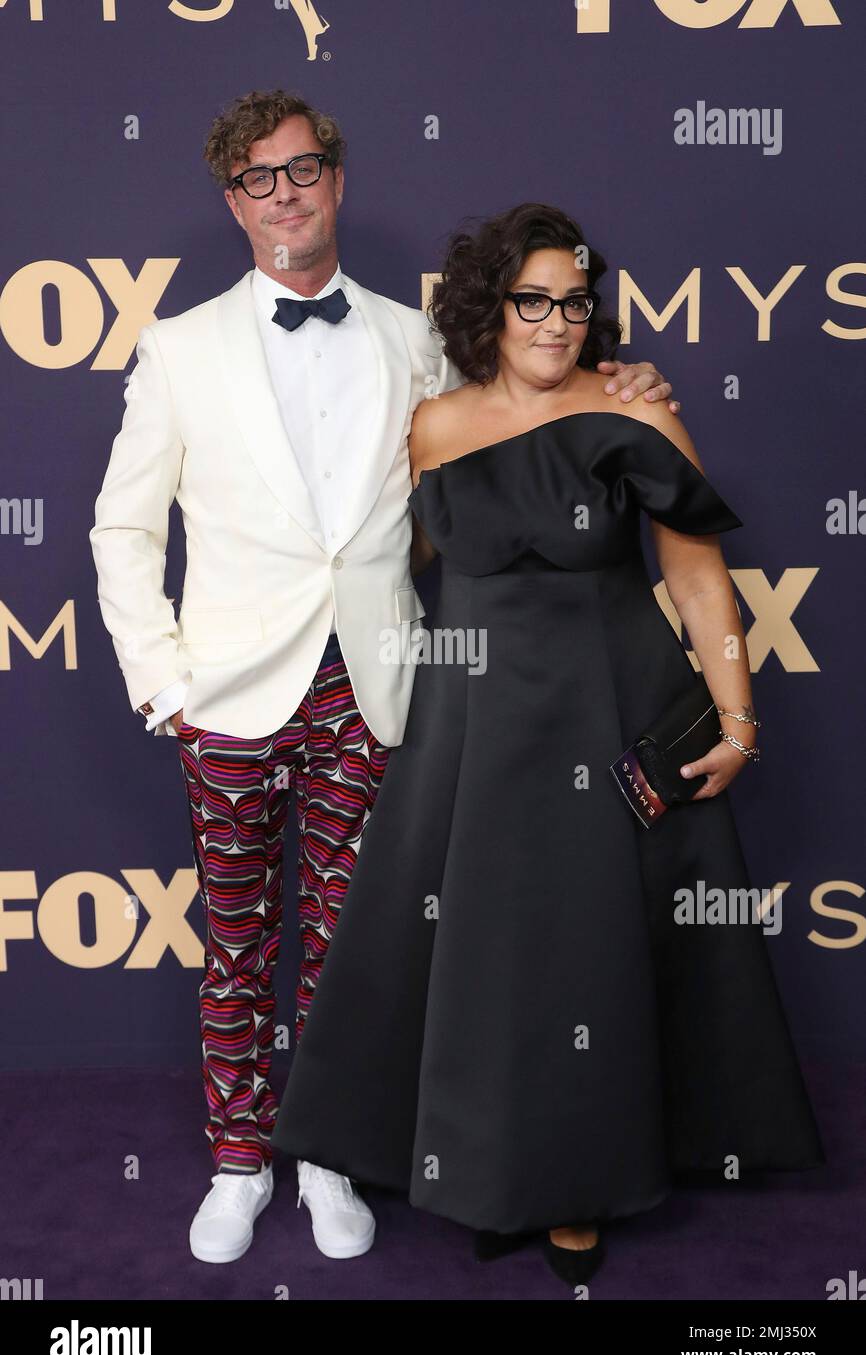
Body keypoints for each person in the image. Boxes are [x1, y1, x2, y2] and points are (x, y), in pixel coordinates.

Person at [88, 93, 674, 1267]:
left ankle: (332, 1157)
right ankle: (240, 1159)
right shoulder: (180, 347)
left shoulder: (413, 340)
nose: (284, 193)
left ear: (338, 179)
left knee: (357, 942)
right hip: (231, 693)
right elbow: (120, 529)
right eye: (258, 178)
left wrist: (626, 394)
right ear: (232, 201)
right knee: (241, 938)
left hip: (379, 682)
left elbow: (526, 403)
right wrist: (165, 684)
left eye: (303, 168)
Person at [272, 202, 825, 1288]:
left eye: (574, 302)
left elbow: (697, 576)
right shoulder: (430, 424)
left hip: (605, 709)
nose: (557, 323)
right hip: (470, 727)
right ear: (490, 306)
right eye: (533, 301)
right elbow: (382, 556)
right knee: (485, 960)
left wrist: (738, 719)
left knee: (582, 956)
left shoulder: (638, 414)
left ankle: (576, 1187)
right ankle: (486, 1173)